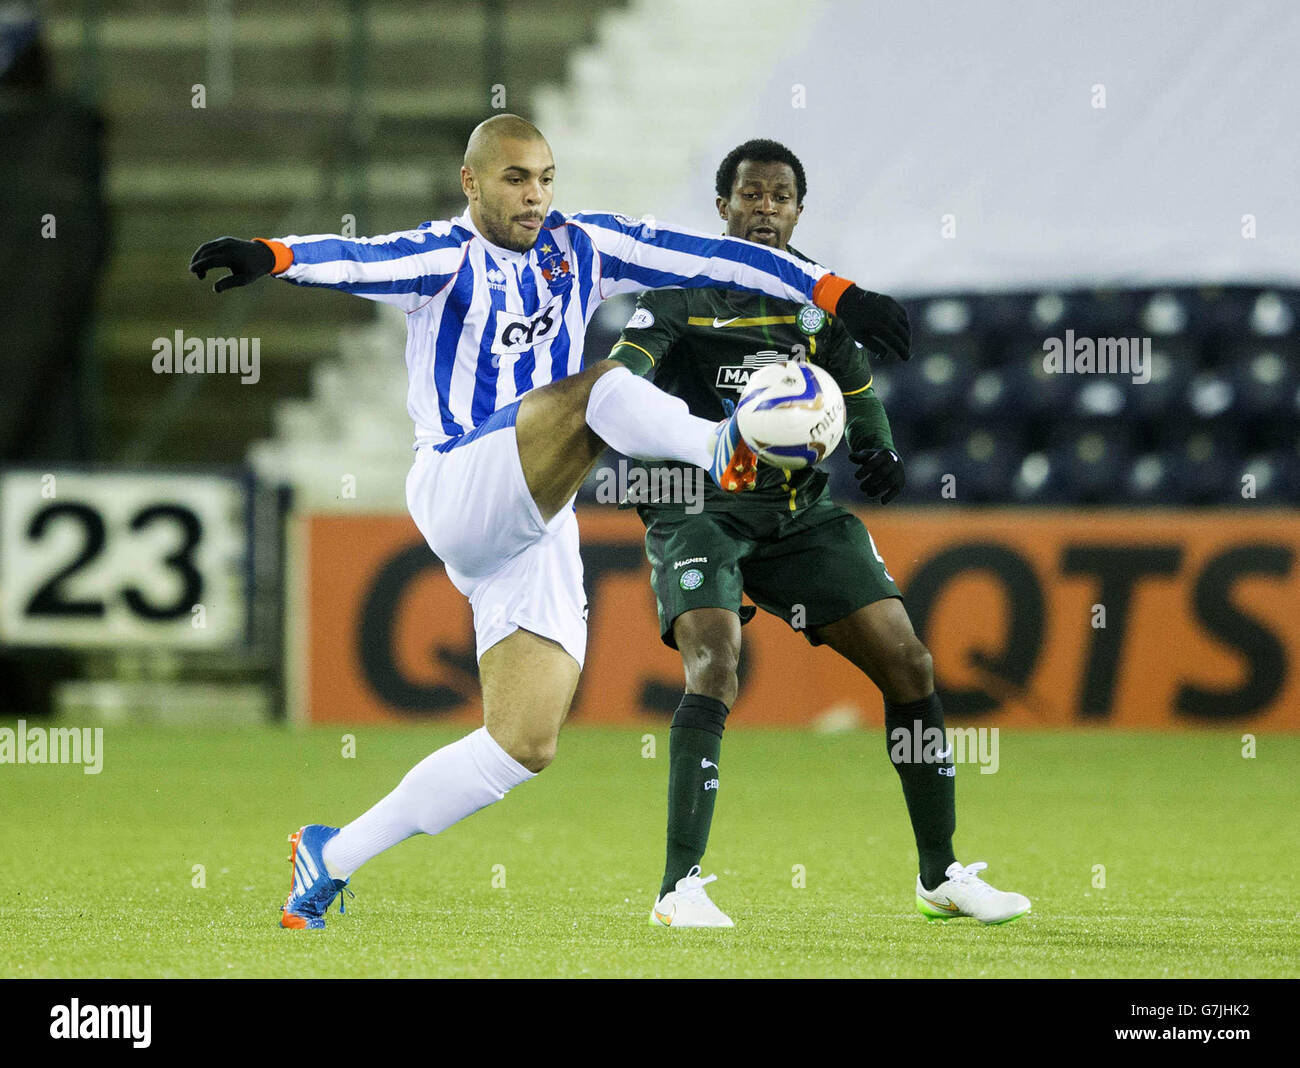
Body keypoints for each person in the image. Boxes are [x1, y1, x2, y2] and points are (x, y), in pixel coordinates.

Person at [188, 115, 912, 929]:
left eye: (545, 178)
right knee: (602, 391)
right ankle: (727, 449)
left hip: (536, 514)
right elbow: (359, 256)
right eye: (514, 179)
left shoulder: (586, 246)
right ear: (471, 183)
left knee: (522, 745)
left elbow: (712, 254)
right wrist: (272, 254)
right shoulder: (447, 255)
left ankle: (333, 855)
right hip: (462, 479)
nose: (534, 196)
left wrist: (835, 292)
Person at [607, 138, 1030, 927]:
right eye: (750, 194)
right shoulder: (679, 293)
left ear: (799, 210)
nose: (764, 209)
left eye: (780, 197)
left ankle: (940, 876)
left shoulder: (814, 302)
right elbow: (624, 370)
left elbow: (856, 387)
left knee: (908, 662)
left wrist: (878, 448)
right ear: (722, 206)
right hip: (697, 506)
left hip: (797, 514)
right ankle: (677, 889)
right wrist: (609, 422)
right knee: (716, 664)